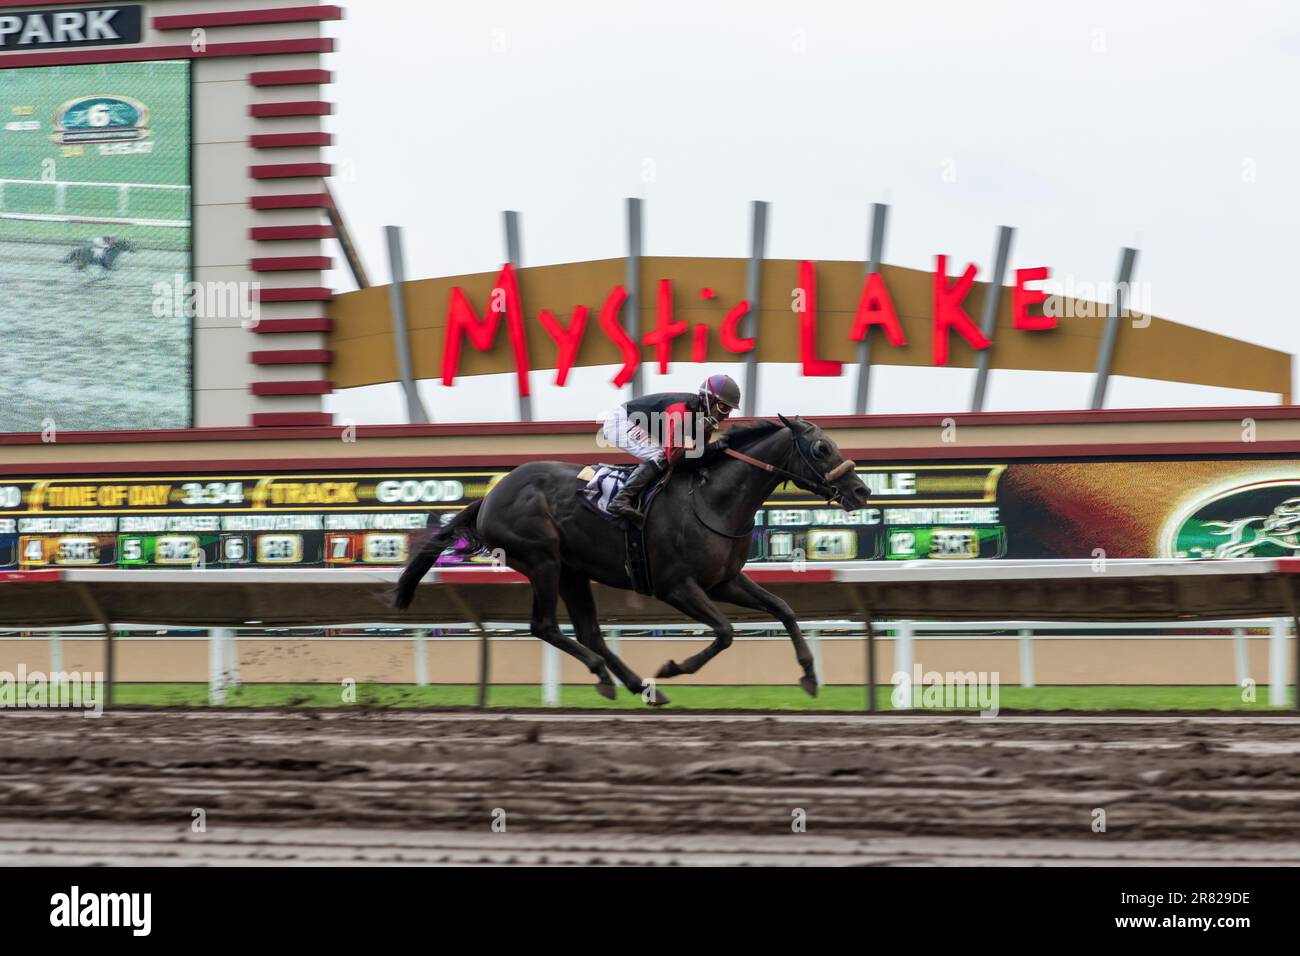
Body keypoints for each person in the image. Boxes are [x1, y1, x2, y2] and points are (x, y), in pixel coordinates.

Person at [600, 373, 742, 524]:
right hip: (620, 422)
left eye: (729, 410)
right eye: (723, 407)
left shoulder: (702, 416)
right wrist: (712, 446)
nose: (726, 415)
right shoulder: (681, 410)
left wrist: (703, 435)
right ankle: (620, 499)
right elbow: (674, 456)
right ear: (708, 400)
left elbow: (698, 454)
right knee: (661, 456)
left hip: (644, 426)